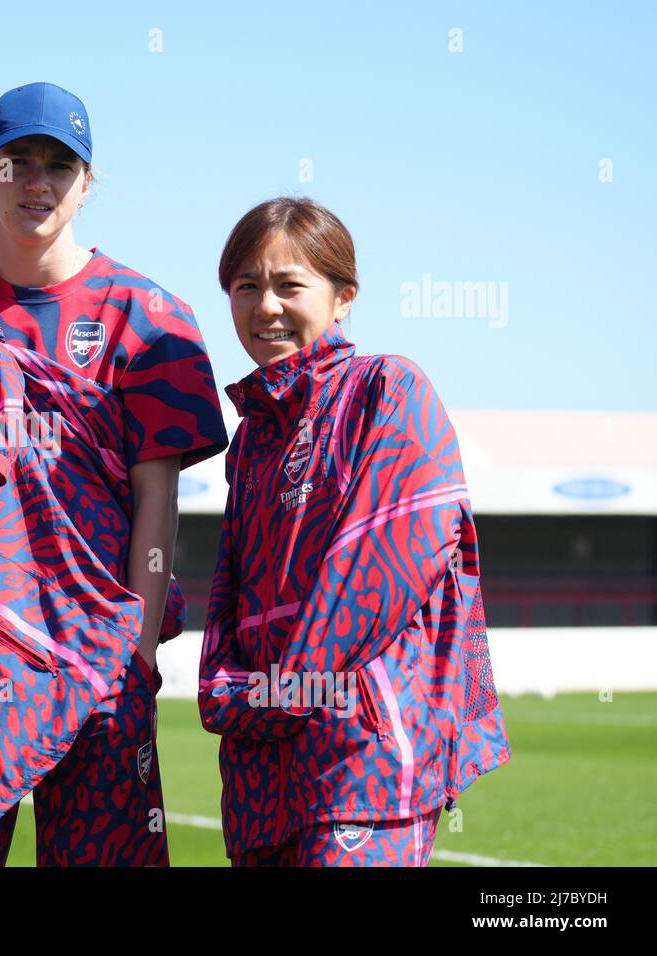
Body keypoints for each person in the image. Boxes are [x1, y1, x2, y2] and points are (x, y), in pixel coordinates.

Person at [0, 82, 230, 866]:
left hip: (96, 656)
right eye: (16, 160)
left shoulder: (148, 317)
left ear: (88, 184)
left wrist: (138, 653)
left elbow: (159, 502)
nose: (37, 181)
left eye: (60, 164)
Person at [199, 197, 511, 866]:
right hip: (259, 772)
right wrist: (220, 681)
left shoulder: (387, 388)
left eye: (290, 285)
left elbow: (384, 568)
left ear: (343, 298)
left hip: (363, 757)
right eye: (245, 286)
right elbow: (229, 583)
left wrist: (273, 694)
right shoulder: (250, 434)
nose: (265, 307)